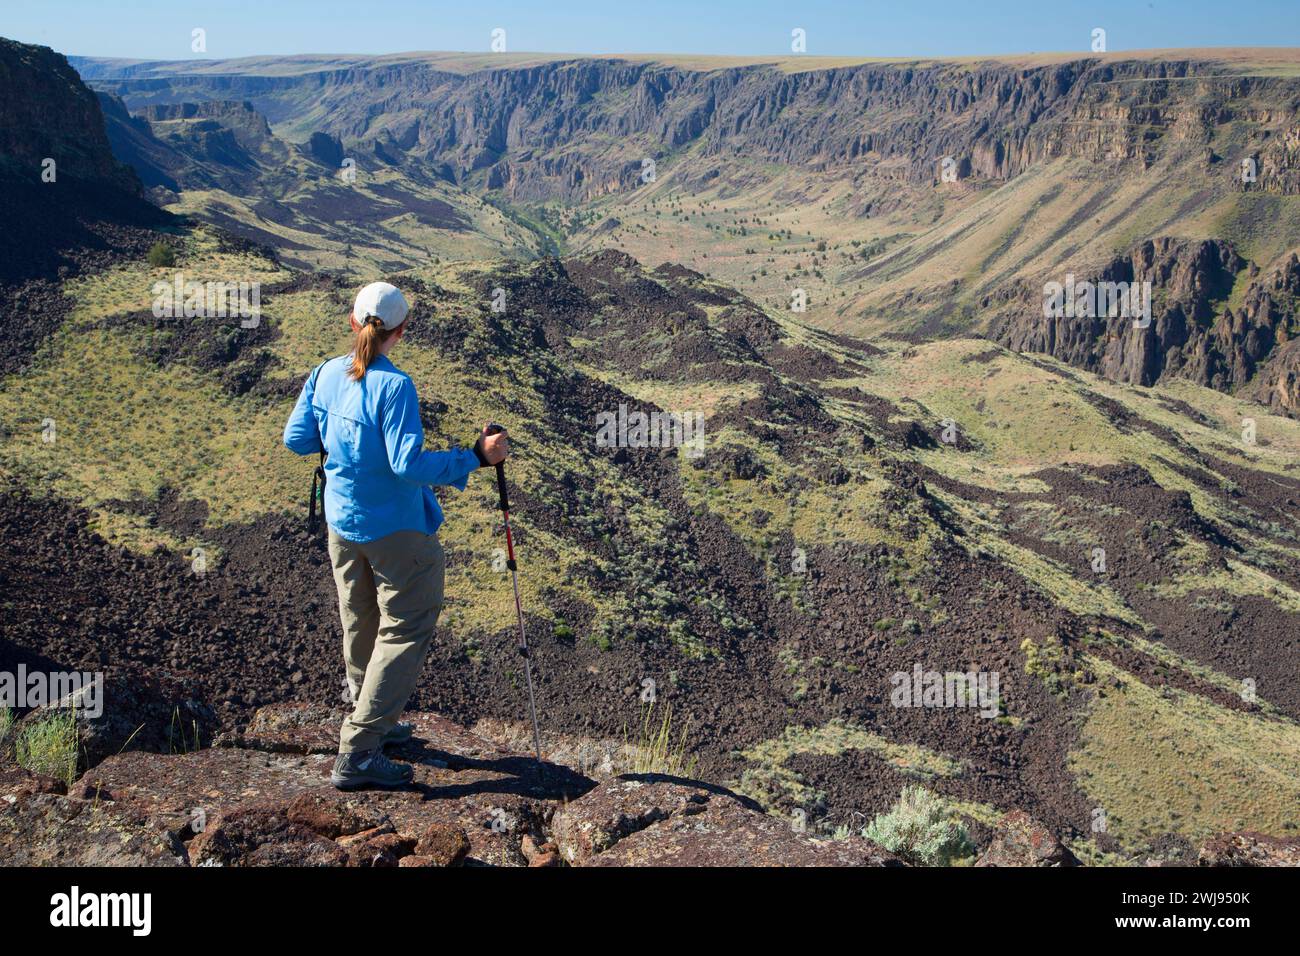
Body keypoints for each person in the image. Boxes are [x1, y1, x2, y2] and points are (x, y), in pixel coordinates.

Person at [283, 281, 508, 789]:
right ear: (401, 332)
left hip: (340, 521)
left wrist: (343, 438)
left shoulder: (324, 374)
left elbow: (296, 439)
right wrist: (474, 456)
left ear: (352, 320)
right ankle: (360, 750)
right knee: (405, 627)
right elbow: (407, 465)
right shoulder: (395, 386)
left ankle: (374, 722)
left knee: (359, 618)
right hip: (397, 531)